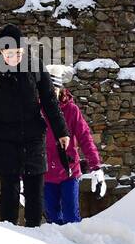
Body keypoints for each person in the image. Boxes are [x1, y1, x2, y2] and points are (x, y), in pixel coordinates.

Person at [0, 24, 69, 226]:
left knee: (35, 189)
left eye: (18, 52)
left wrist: (61, 132)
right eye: (9, 52)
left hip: (32, 136)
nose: (14, 56)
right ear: (1, 51)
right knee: (9, 189)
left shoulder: (35, 68)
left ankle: (35, 232)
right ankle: (10, 233)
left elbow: (49, 101)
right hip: (2, 138)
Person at [40, 66, 106, 224]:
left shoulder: (71, 110)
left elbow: (85, 138)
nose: (50, 94)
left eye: (53, 89)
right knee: (53, 220)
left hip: (69, 172)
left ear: (59, 89)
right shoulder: (37, 111)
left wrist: (96, 168)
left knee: (71, 218)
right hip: (46, 173)